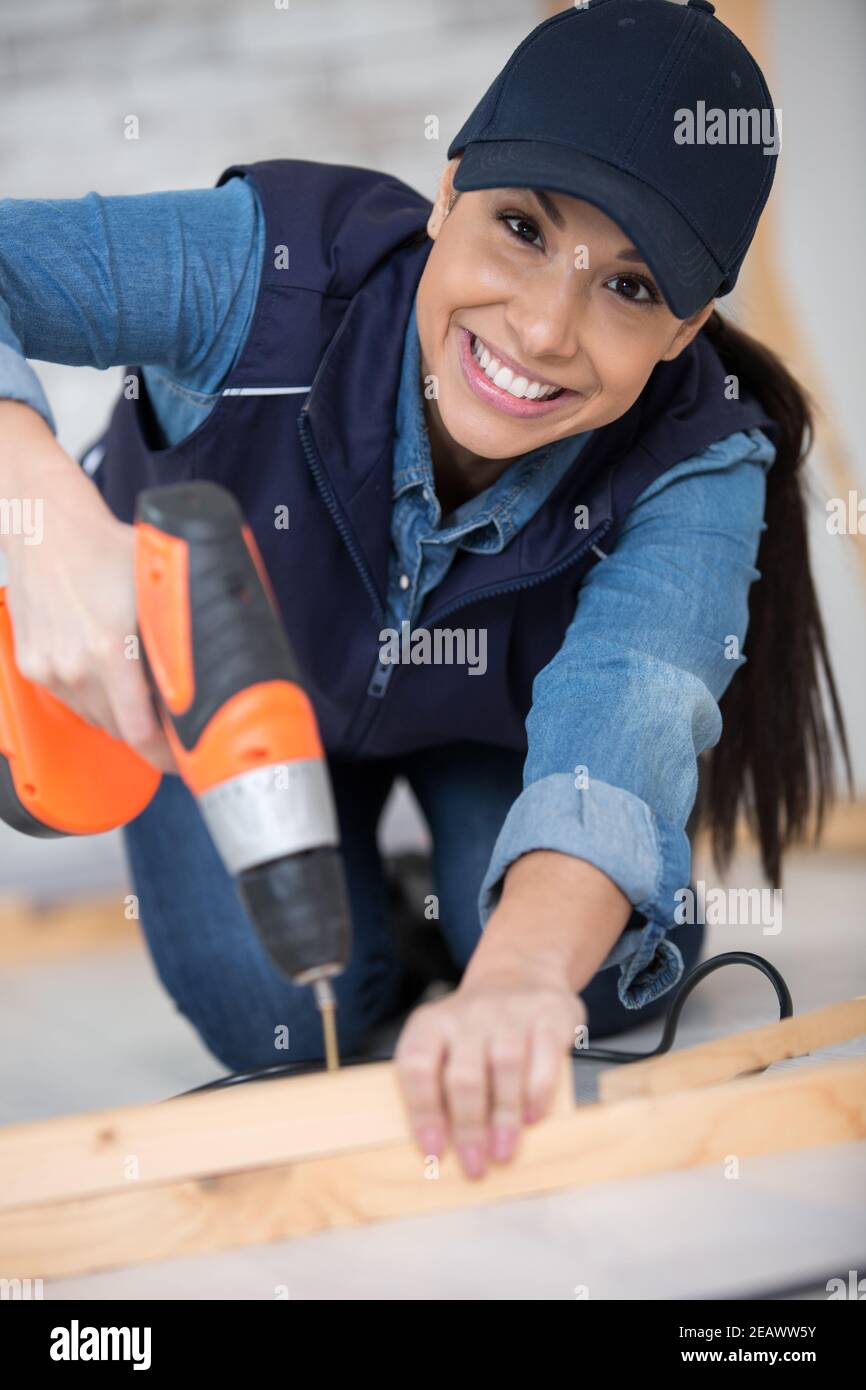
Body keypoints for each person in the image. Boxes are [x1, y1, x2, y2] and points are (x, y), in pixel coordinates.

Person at [0, 0, 849, 1179]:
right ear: (445, 191)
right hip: (234, 702)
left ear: (687, 326)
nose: (544, 326)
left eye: (631, 287)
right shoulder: (266, 268)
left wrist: (515, 976)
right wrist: (31, 507)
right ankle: (395, 916)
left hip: (486, 724)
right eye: (518, 227)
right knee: (287, 1021)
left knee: (585, 984)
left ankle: (460, 898)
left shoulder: (699, 457)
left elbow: (627, 718)